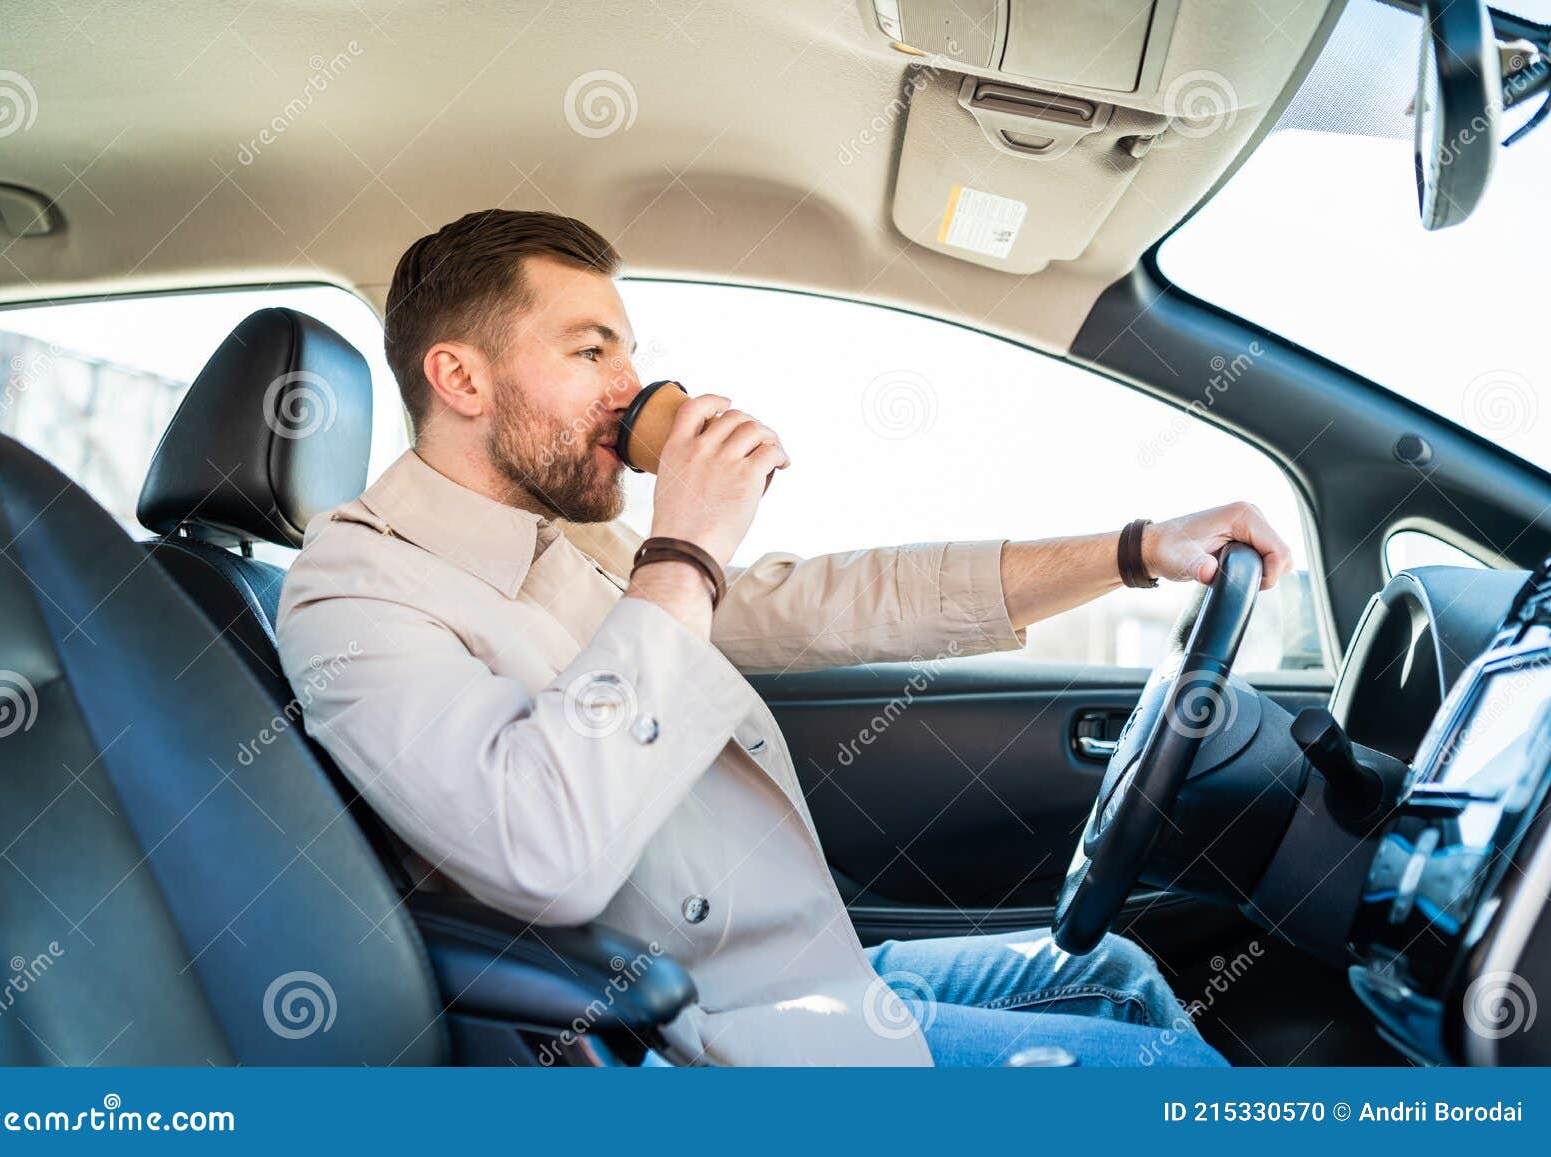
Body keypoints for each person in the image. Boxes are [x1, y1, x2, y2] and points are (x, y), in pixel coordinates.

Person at [276, 209, 1293, 1067]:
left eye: (629, 352)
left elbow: (824, 600)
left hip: (820, 968)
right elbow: (543, 852)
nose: (632, 385)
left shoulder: (572, 541)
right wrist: (683, 544)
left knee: (1110, 969)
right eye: (591, 351)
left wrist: (1135, 547)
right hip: (717, 1036)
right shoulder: (354, 588)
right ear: (460, 378)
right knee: (1150, 1075)